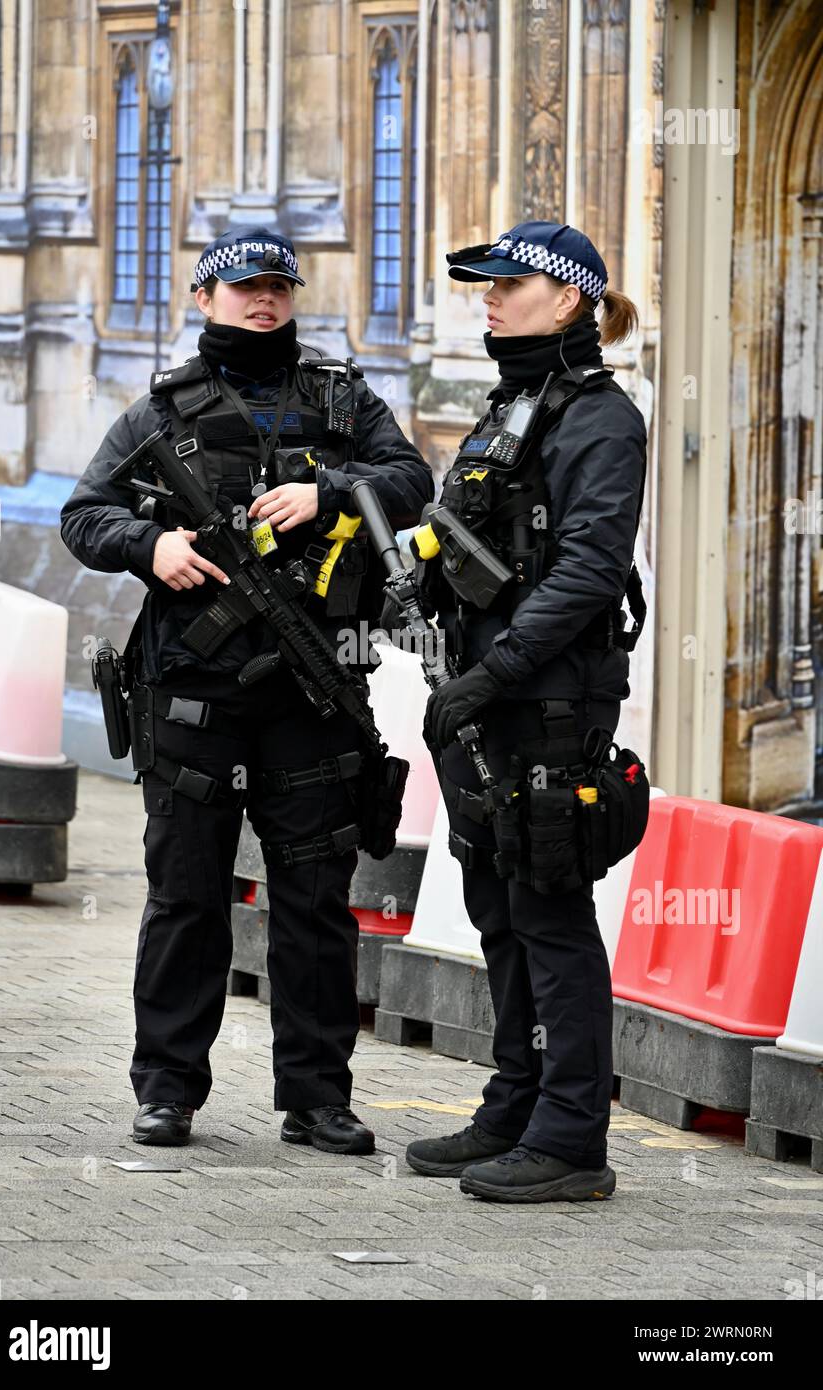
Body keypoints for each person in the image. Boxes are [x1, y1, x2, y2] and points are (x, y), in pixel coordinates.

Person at [61, 226, 433, 1152]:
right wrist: (149, 546)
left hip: (313, 697)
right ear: (204, 299)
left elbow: (414, 481)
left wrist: (333, 493)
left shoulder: (342, 402)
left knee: (314, 899)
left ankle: (315, 1099)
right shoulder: (163, 412)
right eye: (243, 289)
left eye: (277, 287)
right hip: (196, 692)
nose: (262, 302)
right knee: (187, 895)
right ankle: (168, 1090)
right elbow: (83, 513)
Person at [405, 221, 647, 1202]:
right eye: (484, 285)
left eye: (509, 283)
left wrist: (496, 666)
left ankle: (572, 1135)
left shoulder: (598, 417)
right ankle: (518, 1100)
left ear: (571, 297)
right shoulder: (513, 406)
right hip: (483, 698)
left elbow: (589, 569)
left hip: (543, 699)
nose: (489, 298)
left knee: (549, 908)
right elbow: (454, 535)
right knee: (498, 906)